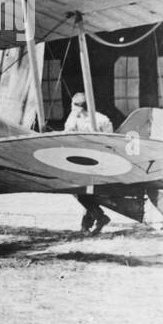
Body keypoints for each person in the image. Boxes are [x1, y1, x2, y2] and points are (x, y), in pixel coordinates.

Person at [64, 92, 113, 234]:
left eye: (73, 105)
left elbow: (67, 136)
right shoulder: (103, 119)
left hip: (85, 164)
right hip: (100, 163)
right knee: (84, 192)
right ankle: (87, 225)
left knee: (76, 190)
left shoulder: (74, 118)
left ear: (78, 106)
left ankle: (99, 217)